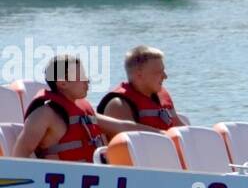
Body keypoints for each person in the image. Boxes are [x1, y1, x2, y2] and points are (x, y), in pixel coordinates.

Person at [14, 54, 161, 161]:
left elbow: (121, 126)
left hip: (92, 179)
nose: (87, 80)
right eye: (81, 76)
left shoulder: (83, 112)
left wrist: (162, 135)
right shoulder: (44, 115)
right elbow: (19, 155)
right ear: (62, 83)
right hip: (64, 183)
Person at [96, 45, 182, 130]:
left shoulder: (162, 96)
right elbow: (127, 142)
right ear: (139, 75)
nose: (165, 76)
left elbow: (181, 129)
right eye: (158, 72)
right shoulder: (119, 106)